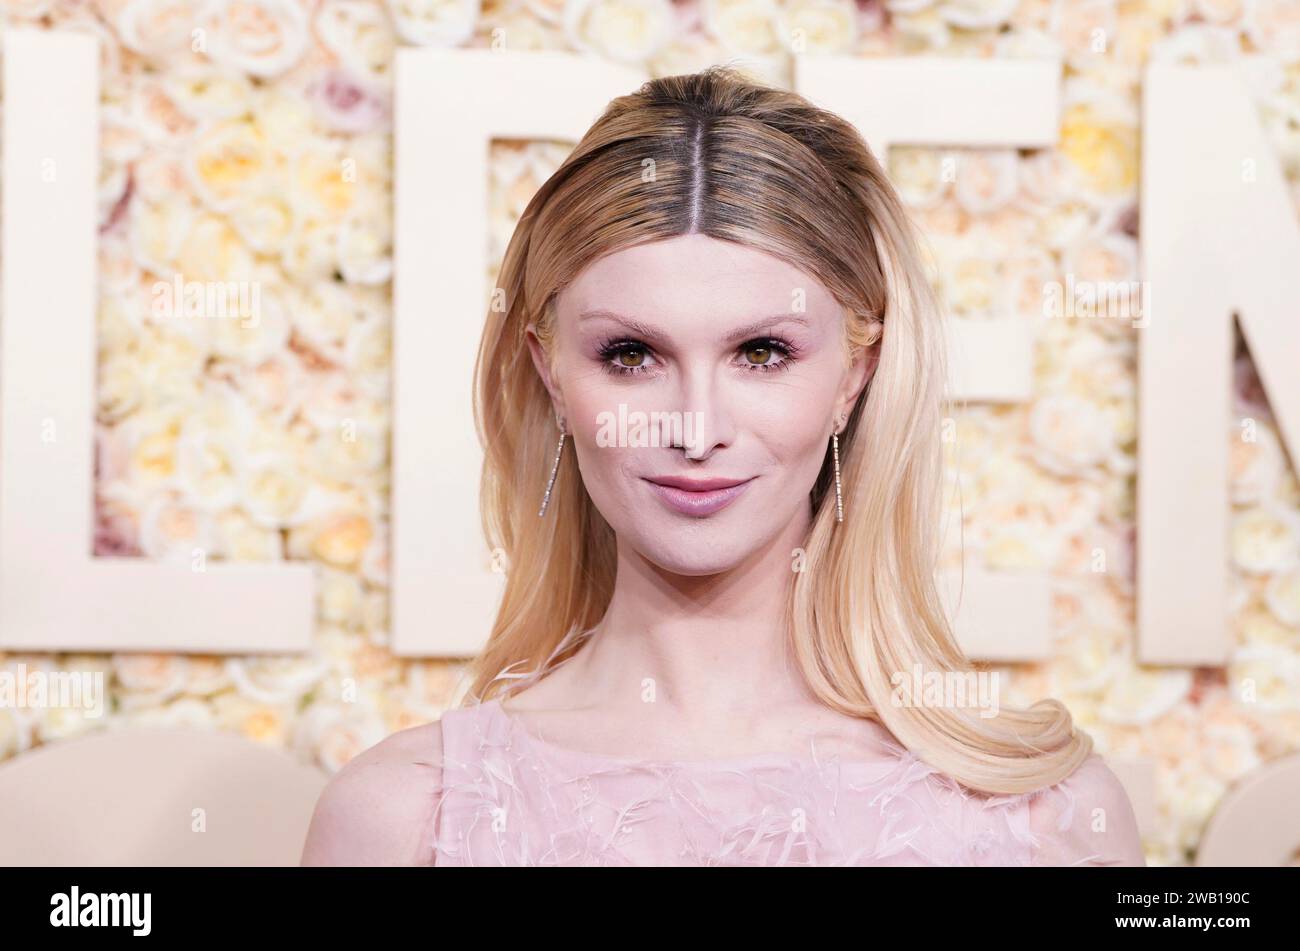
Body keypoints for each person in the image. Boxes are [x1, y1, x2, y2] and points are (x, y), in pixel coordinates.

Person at [301, 65, 1145, 867]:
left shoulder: (1044, 818)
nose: (696, 428)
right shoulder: (403, 818)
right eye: (631, 355)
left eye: (763, 353)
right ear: (551, 375)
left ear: (854, 375)